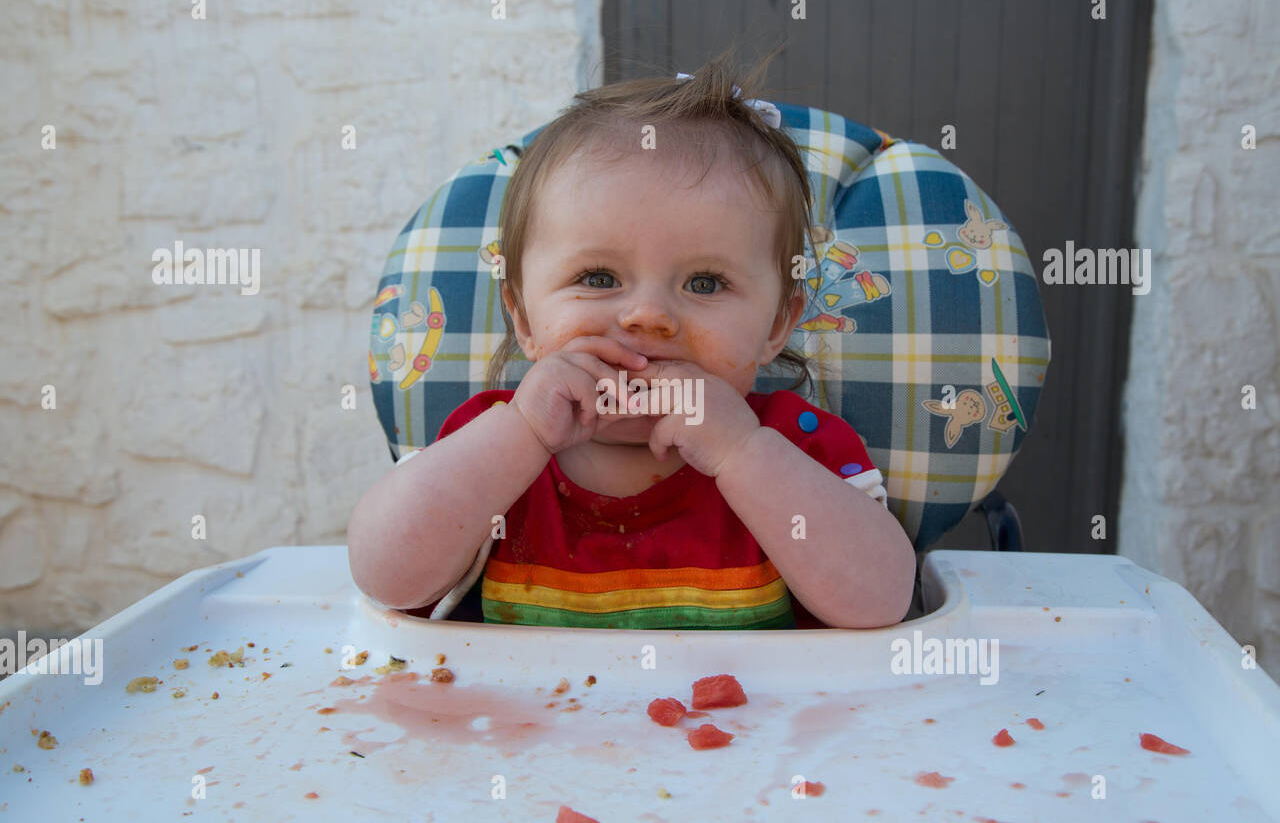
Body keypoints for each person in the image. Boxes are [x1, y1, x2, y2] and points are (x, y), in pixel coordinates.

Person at [348, 52, 915, 630]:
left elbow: (881, 602)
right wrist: (523, 433)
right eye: (597, 279)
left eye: (704, 282)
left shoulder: (794, 451)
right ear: (522, 319)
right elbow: (385, 578)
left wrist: (740, 452)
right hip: (519, 718)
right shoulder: (489, 449)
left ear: (776, 326)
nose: (648, 315)